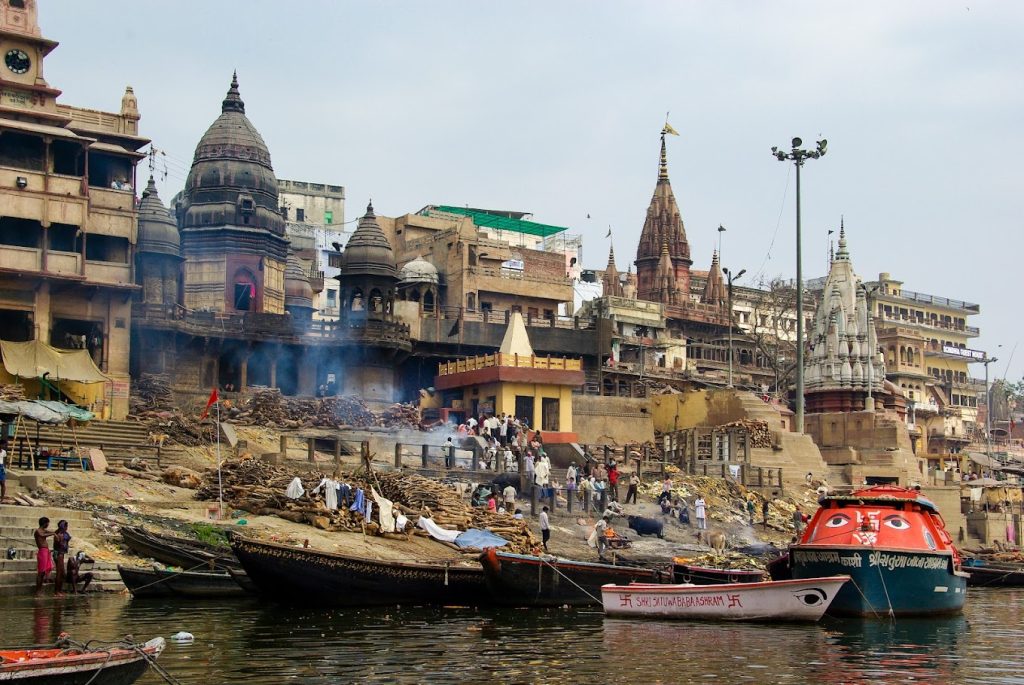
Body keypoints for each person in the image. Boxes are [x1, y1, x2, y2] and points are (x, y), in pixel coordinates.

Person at [34, 517, 55, 594]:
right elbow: (42, 535)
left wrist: (55, 532)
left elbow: (48, 532)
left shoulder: (43, 530)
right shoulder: (38, 531)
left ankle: (40, 589)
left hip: (46, 551)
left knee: (43, 573)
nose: (48, 525)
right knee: (41, 572)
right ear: (45, 523)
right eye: (48, 523)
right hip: (42, 552)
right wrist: (53, 534)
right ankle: (37, 590)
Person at [52, 520, 71, 594]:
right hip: (59, 554)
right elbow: (58, 544)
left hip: (61, 554)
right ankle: (57, 591)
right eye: (66, 526)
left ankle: (60, 590)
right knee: (59, 573)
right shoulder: (59, 534)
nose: (67, 528)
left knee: (62, 573)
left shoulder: (61, 533)